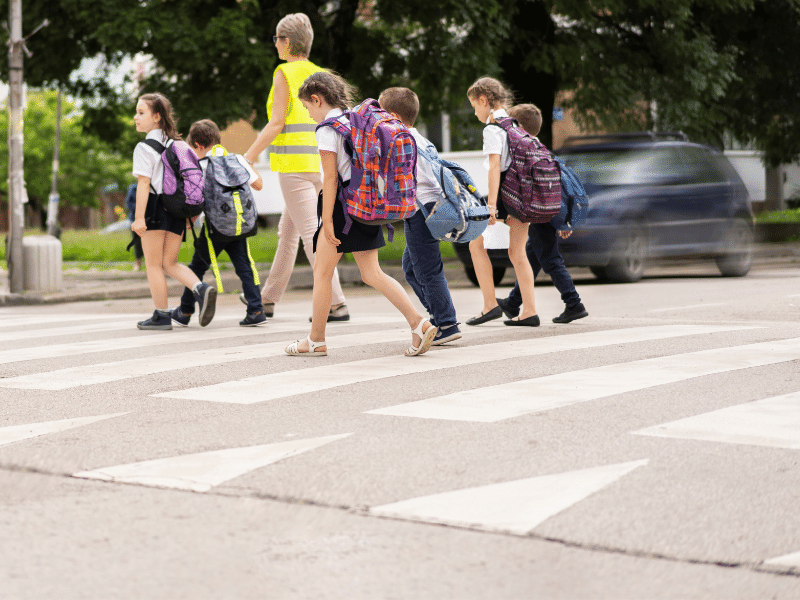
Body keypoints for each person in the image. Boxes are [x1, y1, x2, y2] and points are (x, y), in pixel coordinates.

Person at [285, 71, 437, 357]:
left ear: (317, 99)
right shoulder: (356, 119)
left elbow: (330, 179)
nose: (308, 115)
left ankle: (316, 341)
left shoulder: (327, 129)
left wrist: (327, 221)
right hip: (365, 206)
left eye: (307, 107)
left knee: (321, 272)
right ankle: (418, 323)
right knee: (372, 273)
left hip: (341, 210)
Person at [242, 13, 349, 322]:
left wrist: (248, 157)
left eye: (277, 40)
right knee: (288, 235)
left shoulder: (284, 72)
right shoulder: (320, 73)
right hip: (322, 163)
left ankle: (337, 303)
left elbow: (276, 122)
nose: (276, 45)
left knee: (310, 236)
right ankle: (267, 299)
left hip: (294, 166)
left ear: (286, 42)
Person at [378, 87, 461, 345]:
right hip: (432, 210)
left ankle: (446, 323)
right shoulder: (421, 138)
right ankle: (438, 318)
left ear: (393, 116)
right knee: (411, 269)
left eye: (380, 114)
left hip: (421, 213)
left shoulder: (402, 141)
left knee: (427, 271)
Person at [495, 104, 589, 324]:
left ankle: (574, 303)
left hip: (538, 211)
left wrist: (562, 223)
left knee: (550, 258)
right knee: (533, 255)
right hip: (550, 211)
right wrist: (564, 220)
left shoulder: (526, 152)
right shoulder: (542, 150)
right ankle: (513, 301)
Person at [170, 119, 268, 328]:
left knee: (196, 267)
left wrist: (190, 221)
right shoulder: (237, 160)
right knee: (245, 266)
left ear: (197, 144)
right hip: (240, 224)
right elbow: (258, 184)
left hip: (215, 228)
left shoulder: (200, 166)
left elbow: (198, 199)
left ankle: (185, 311)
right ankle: (256, 309)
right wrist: (247, 165)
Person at [131, 93, 217, 331]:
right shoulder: (177, 145)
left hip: (155, 209)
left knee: (154, 265)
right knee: (169, 263)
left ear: (157, 116)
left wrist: (139, 218)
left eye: (141, 113)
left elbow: (144, 184)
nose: (135, 118)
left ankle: (161, 315)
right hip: (177, 210)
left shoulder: (144, 148)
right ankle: (200, 288)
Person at [465, 77, 538, 327]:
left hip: (505, 195)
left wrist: (492, 205)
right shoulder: (514, 123)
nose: (475, 111)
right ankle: (529, 311)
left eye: (475, 106)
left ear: (484, 101)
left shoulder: (493, 128)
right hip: (523, 193)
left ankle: (489, 306)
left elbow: (495, 166)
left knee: (475, 245)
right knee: (518, 253)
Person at [124, 183, 143, 271]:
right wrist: (140, 208)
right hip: (135, 218)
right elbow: (128, 203)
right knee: (137, 241)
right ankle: (138, 262)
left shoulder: (154, 187)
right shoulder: (133, 188)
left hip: (151, 218)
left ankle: (157, 264)